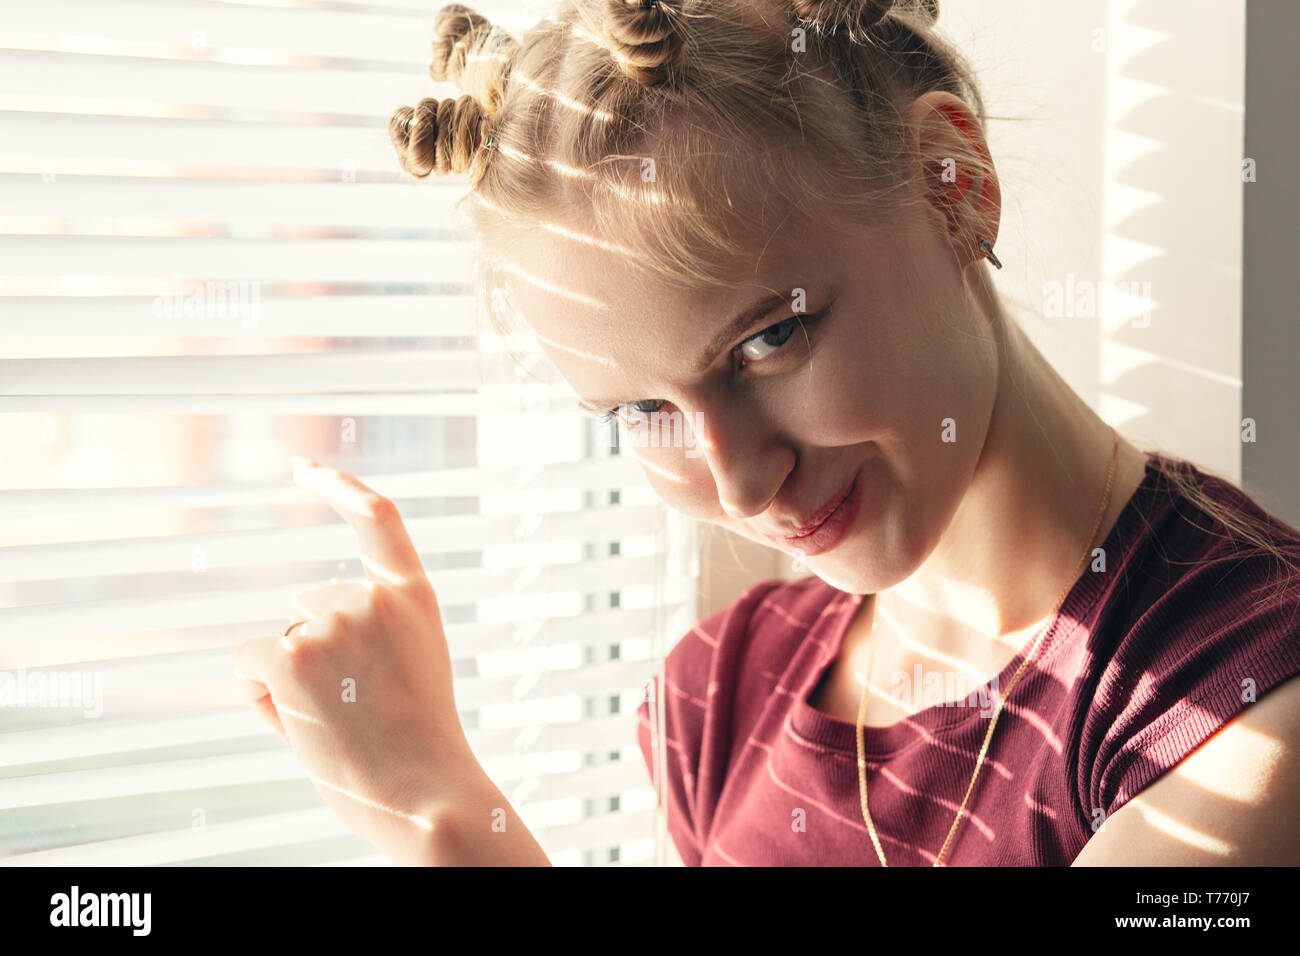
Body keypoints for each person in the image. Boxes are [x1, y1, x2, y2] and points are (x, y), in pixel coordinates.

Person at [235, 0, 1300, 865]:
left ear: (954, 186)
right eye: (642, 410)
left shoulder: (1239, 708)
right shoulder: (727, 690)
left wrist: (447, 819)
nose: (740, 483)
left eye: (769, 338)